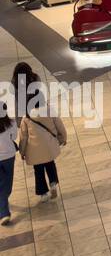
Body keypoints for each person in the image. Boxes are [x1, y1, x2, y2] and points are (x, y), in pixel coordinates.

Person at [15, 64, 65, 203]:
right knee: (50, 162)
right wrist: (63, 138)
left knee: (38, 168)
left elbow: (24, 138)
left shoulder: (26, 117)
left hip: (34, 144)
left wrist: (22, 152)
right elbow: (59, 125)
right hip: (48, 142)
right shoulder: (48, 109)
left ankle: (43, 193)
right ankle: (53, 182)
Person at [0, 105, 16, 226]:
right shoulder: (11, 122)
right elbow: (14, 137)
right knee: (7, 182)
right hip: (9, 156)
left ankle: (3, 202)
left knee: (2, 185)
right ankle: (4, 212)